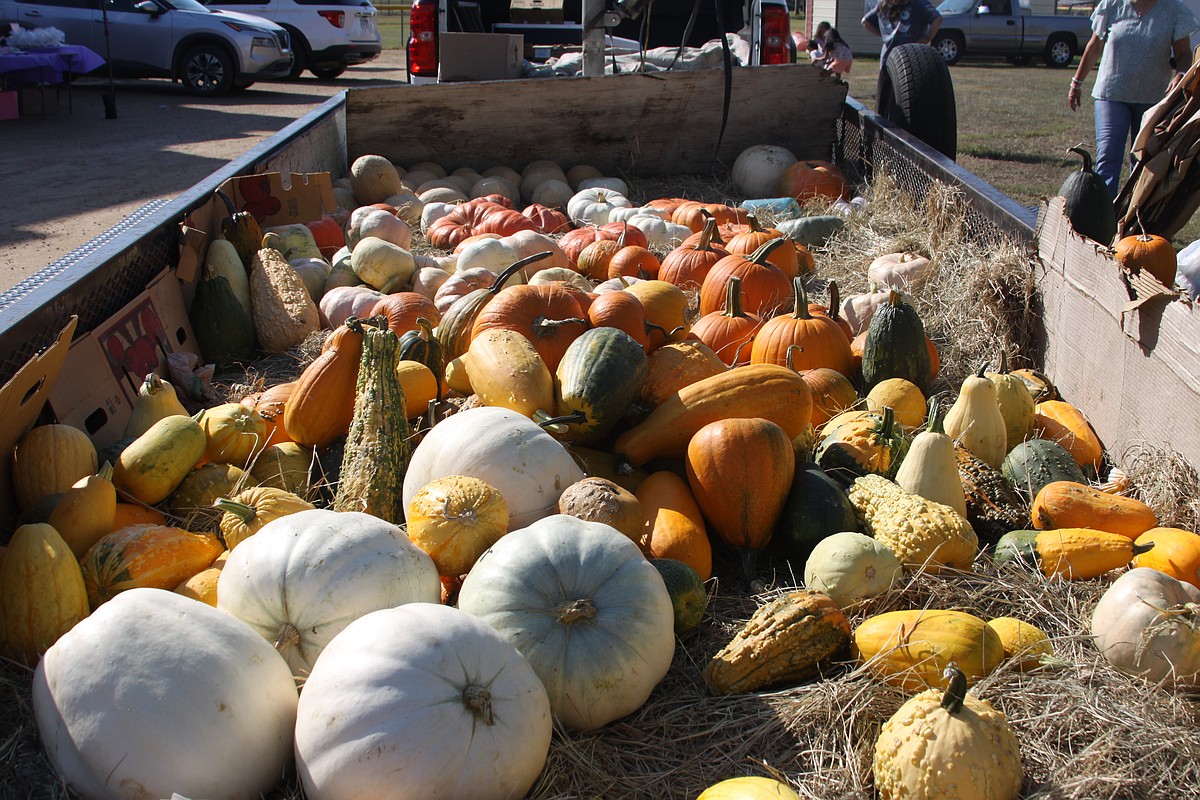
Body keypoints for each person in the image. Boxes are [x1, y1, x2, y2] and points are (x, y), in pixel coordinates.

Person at [1068, 0, 1199, 198]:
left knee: (1143, 163)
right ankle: (1103, 218)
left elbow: (1183, 54)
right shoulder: (1112, 5)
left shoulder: (1173, 9)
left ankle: (1131, 219)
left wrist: (1181, 74)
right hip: (1111, 95)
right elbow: (1095, 46)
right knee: (1108, 156)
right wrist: (1076, 83)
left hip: (1153, 100)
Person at [861, 0, 943, 71]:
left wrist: (927, 38)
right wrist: (927, 38)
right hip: (903, 56)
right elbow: (937, 18)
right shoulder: (883, 5)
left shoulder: (918, 3)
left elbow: (865, 22)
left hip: (904, 56)